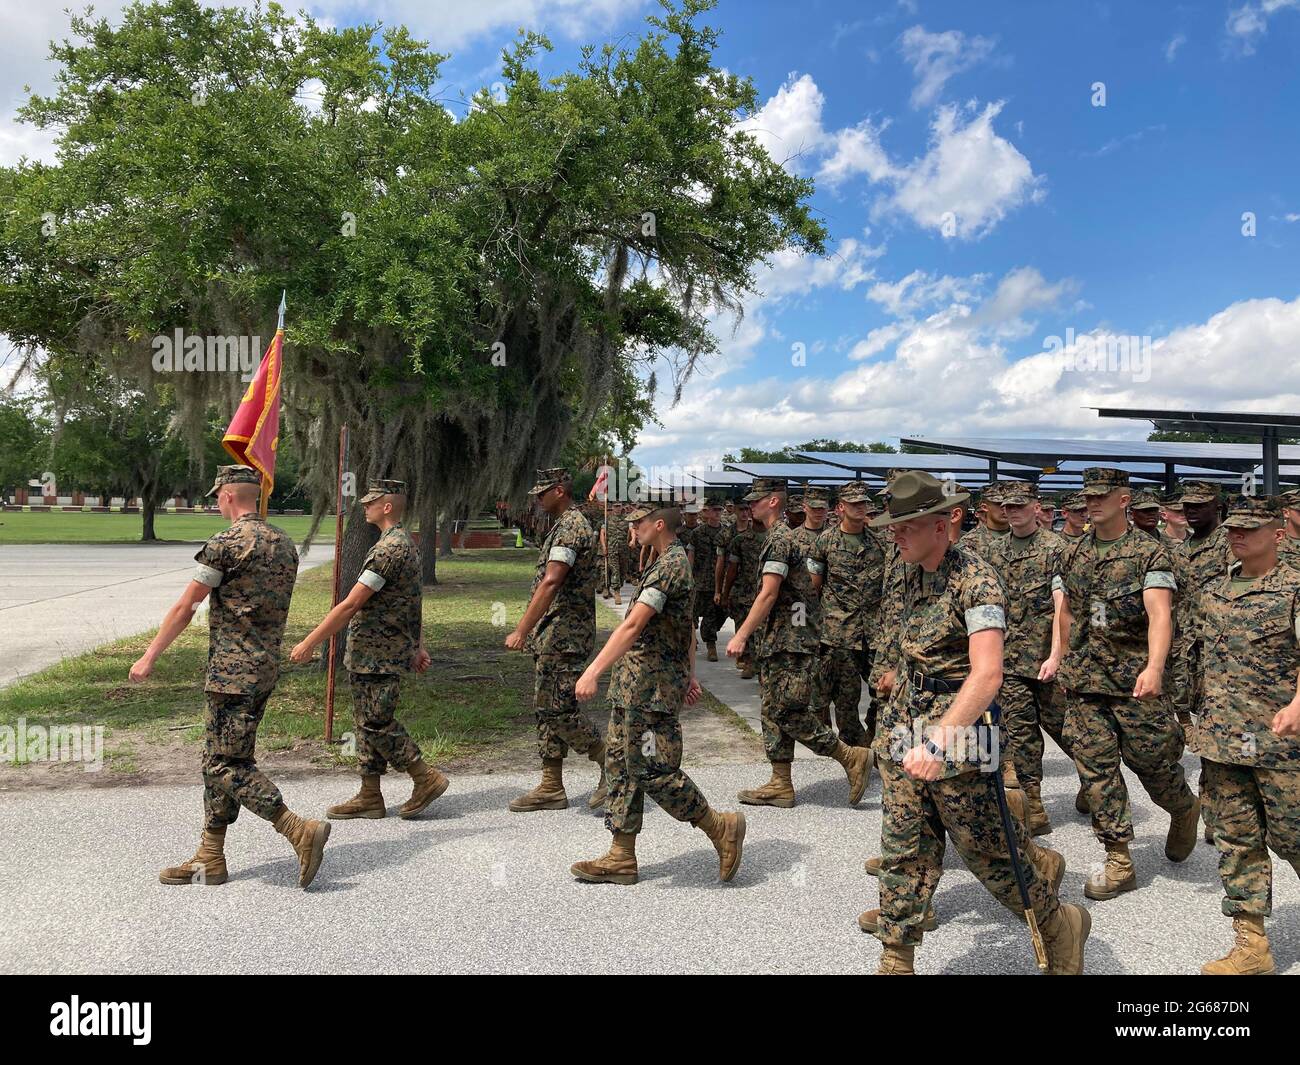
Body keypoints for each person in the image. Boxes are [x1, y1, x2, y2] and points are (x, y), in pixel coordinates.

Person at [863, 471, 1086, 975]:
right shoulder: (901, 570)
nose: (894, 534)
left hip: (963, 732)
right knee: (903, 844)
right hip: (903, 723)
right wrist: (895, 674)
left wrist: (940, 742)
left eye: (906, 526)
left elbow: (988, 674)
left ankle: (1059, 926)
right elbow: (903, 637)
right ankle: (896, 955)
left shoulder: (977, 581)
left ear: (942, 525)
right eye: (892, 526)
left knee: (986, 851)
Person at [132, 465, 329, 890]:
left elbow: (186, 607)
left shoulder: (225, 544)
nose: (216, 502)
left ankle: (295, 827)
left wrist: (149, 655)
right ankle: (210, 855)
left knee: (224, 763)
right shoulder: (284, 543)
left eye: (216, 496)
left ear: (227, 496)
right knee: (220, 759)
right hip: (264, 668)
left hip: (231, 673)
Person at [570, 504, 746, 884]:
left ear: (659, 524)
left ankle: (719, 826)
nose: (632, 528)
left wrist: (593, 670)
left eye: (639, 522)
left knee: (651, 769)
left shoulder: (669, 566)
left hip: (650, 689)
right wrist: (692, 675)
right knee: (619, 765)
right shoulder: (665, 561)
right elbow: (682, 628)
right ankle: (621, 856)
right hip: (635, 685)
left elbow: (633, 624)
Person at [1054, 467, 1199, 900]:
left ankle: (1183, 808)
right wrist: (1057, 656)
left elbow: (1160, 615)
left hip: (1135, 681)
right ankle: (1119, 858)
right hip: (1085, 681)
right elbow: (1066, 611)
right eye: (1087, 496)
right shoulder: (1072, 552)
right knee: (1096, 770)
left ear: (1123, 500)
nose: (1091, 503)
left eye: (1102, 496)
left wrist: (1155, 667)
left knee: (1153, 765)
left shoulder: (1149, 553)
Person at [291, 479, 448, 821]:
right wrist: (418, 645)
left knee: (377, 722)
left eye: (371, 502)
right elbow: (412, 602)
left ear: (387, 506)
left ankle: (424, 776)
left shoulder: (389, 549)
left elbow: (350, 605)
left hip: (379, 653)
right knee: (365, 722)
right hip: (377, 651)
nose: (364, 507)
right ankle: (370, 795)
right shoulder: (401, 543)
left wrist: (309, 642)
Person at [1197, 496, 1300, 974]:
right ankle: (1251, 946)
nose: (1237, 536)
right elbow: (1198, 656)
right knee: (1236, 839)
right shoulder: (1215, 589)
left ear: (1277, 535)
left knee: (1293, 835)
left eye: (1250, 530)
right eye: (1234, 529)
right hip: (1224, 740)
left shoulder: (1295, 586)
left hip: (1282, 743)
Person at [727, 477, 871, 808]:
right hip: (780, 637)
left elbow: (768, 593)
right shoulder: (777, 537)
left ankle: (849, 757)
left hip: (790, 640)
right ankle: (781, 783)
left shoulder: (779, 540)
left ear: (774, 501)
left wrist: (742, 634)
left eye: (758, 500)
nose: (751, 505)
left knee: (786, 709)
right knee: (771, 709)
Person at [504, 468, 607, 812]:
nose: (537, 499)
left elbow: (552, 581)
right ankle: (551, 785)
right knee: (545, 706)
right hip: (553, 633)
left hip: (566, 634)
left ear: (559, 490)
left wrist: (520, 629)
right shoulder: (561, 525)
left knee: (558, 708)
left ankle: (610, 760)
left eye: (542, 492)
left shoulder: (571, 527)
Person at [987, 481, 1076, 836]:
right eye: (1007, 507)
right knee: (1021, 736)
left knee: (1070, 730)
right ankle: (1034, 807)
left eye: (1020, 506)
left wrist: (1057, 655)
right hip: (1010, 662)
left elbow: (1062, 607)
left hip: (1047, 660)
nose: (1013, 513)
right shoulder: (995, 551)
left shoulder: (1057, 549)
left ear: (1036, 508)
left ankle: (1096, 783)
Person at [808, 481, 884, 752]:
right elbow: (813, 588)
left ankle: (875, 736)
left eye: (863, 503)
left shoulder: (880, 541)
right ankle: (857, 747)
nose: (860, 507)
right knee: (846, 700)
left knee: (884, 693)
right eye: (854, 504)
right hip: (840, 634)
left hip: (876, 634)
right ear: (840, 508)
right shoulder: (824, 542)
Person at [721, 502, 764, 679]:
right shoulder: (741, 540)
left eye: (749, 509)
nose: (747, 512)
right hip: (745, 592)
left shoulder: (776, 538)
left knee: (762, 630)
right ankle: (748, 661)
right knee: (744, 626)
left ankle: (760, 666)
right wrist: (724, 592)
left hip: (767, 592)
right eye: (744, 509)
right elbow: (732, 569)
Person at [958, 482, 1011, 561]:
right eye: (999, 504)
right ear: (984, 507)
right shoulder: (969, 541)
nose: (1005, 509)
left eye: (1009, 504)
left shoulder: (1023, 536)